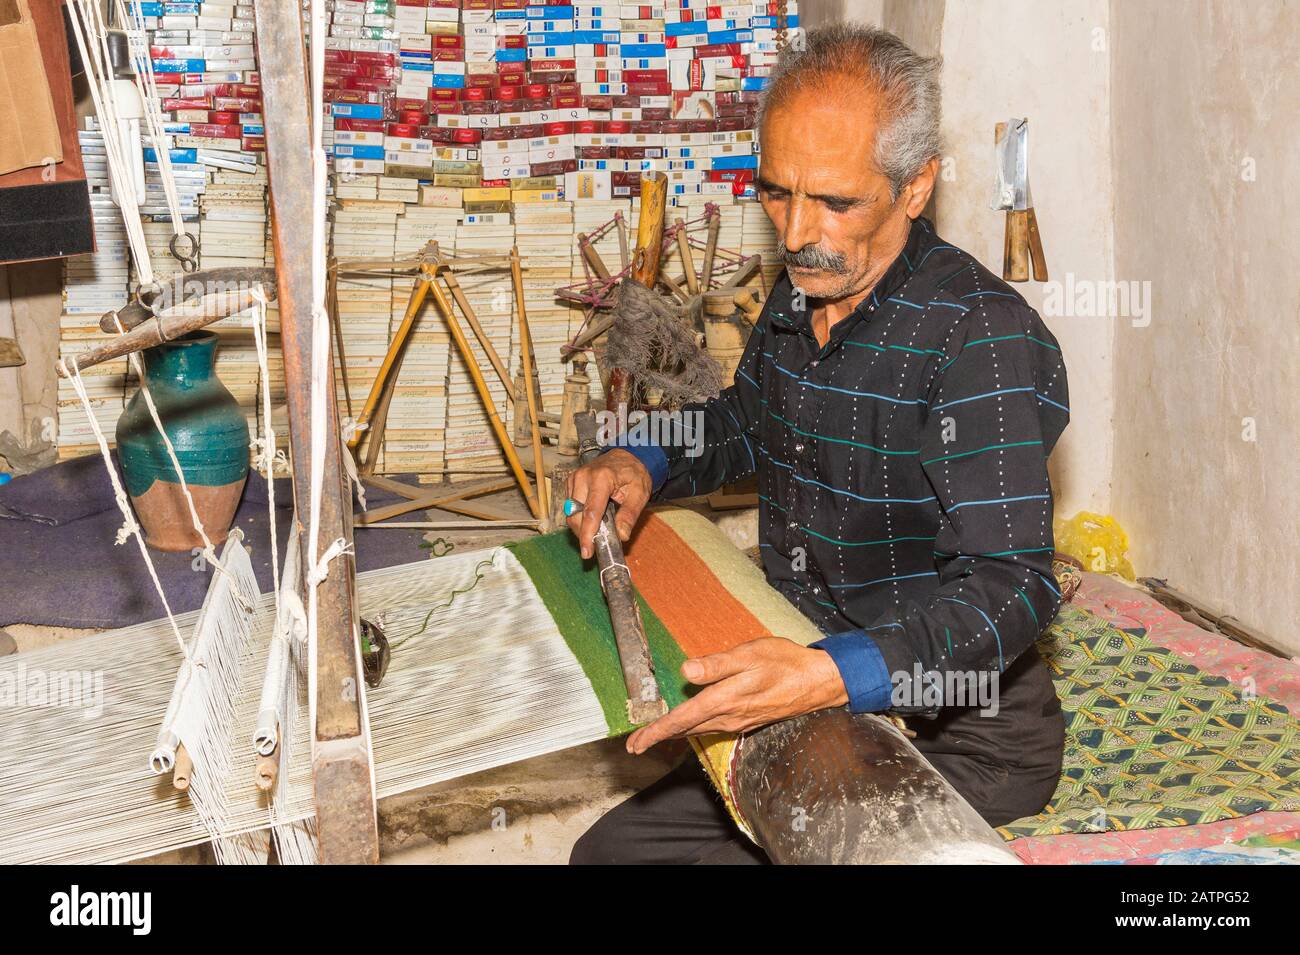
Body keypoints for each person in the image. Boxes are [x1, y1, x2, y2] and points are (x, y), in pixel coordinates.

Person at [567, 24, 1069, 864]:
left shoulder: (978, 336)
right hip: (811, 686)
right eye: (776, 193)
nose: (798, 229)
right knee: (607, 858)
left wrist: (830, 674)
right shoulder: (809, 288)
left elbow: (1017, 587)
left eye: (836, 201)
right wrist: (643, 458)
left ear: (915, 188)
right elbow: (744, 422)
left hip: (957, 730)